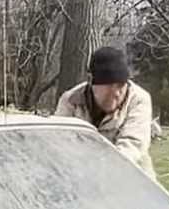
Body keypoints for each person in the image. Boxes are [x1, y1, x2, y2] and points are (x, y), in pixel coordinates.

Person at [55, 47, 156, 178]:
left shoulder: (139, 100)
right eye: (110, 86)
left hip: (131, 180)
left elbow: (132, 146)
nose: (116, 93)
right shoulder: (70, 101)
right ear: (92, 84)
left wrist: (98, 172)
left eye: (121, 86)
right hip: (79, 178)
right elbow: (59, 144)